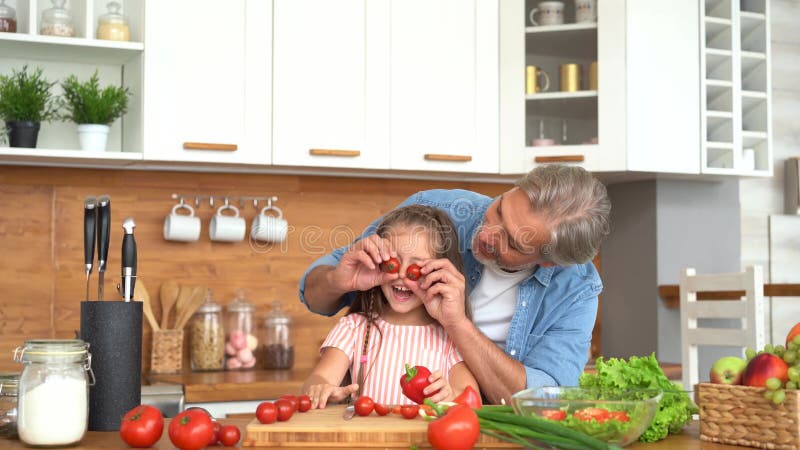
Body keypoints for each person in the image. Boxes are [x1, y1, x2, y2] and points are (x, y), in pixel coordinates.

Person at [299, 164, 611, 404]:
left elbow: (540, 400)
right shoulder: (437, 211)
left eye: (512, 242)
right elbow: (316, 295)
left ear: (549, 262)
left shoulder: (577, 289)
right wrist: (335, 281)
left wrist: (456, 324)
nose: (489, 234)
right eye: (499, 210)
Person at [302, 205, 480, 408]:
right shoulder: (354, 327)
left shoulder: (450, 337)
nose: (402, 275)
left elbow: (470, 395)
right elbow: (318, 379)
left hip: (426, 439)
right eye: (393, 263)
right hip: (368, 439)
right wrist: (320, 388)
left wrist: (449, 394)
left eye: (417, 267)